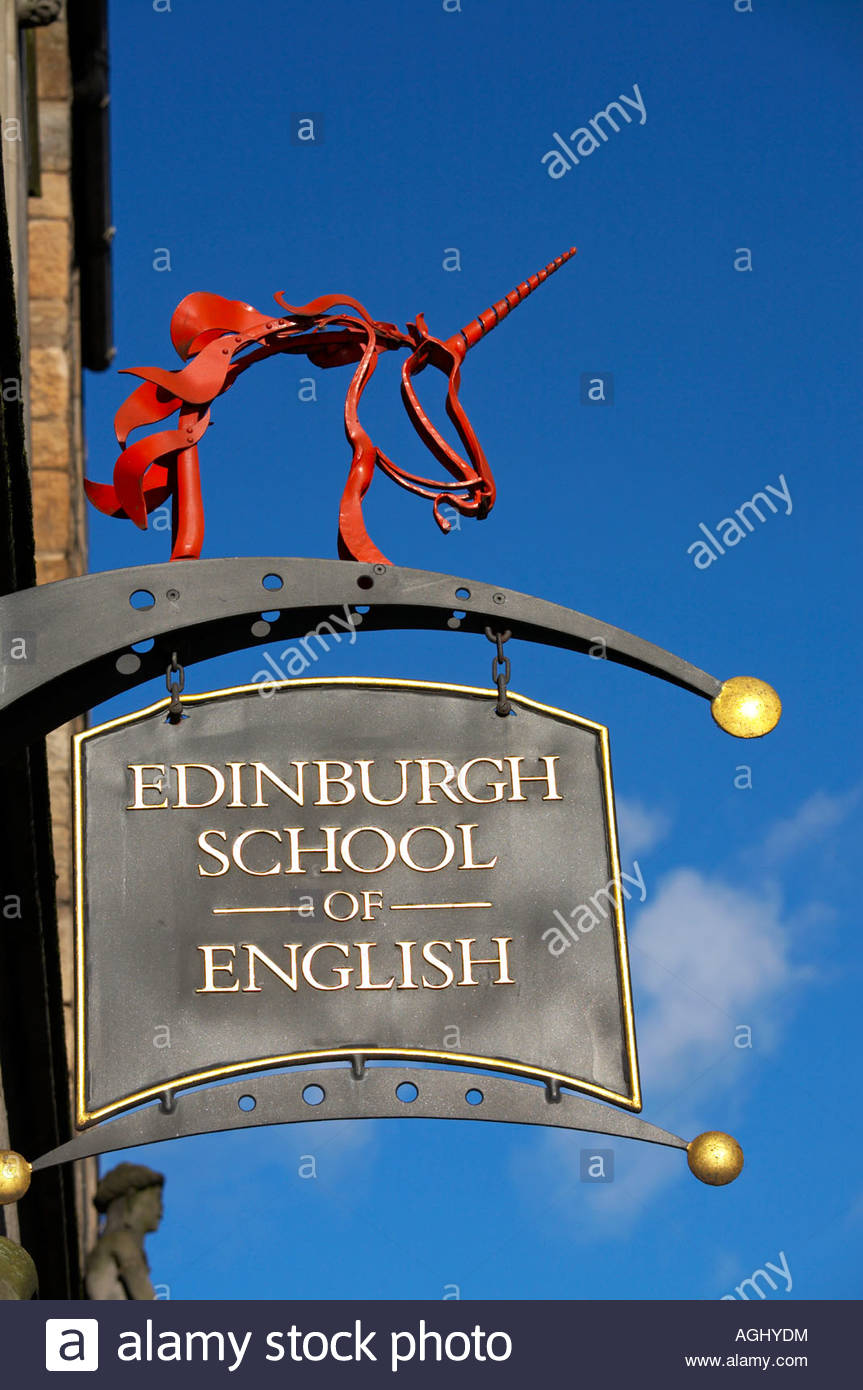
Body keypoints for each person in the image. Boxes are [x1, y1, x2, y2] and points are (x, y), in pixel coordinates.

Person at [84, 1162, 164, 1300]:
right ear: (132, 1198)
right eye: (156, 1198)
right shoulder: (121, 1242)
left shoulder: (118, 1243)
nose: (160, 1210)